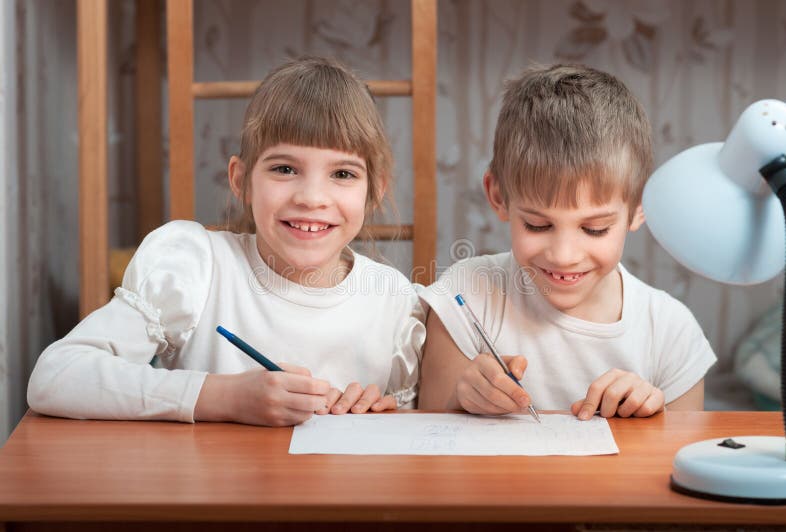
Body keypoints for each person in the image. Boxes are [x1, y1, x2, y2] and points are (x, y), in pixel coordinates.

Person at [27, 57, 424, 426]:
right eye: (285, 169)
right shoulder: (198, 267)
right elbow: (56, 376)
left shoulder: (394, 302)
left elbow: (419, 432)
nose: (311, 198)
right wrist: (222, 397)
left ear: (374, 191)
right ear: (241, 180)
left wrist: (382, 412)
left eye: (343, 174)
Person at [418, 64, 716, 419]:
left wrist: (652, 416)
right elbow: (427, 433)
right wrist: (460, 397)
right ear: (498, 196)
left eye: (595, 229)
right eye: (537, 225)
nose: (563, 255)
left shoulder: (671, 331)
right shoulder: (465, 294)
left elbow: (682, 448)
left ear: (641, 206)